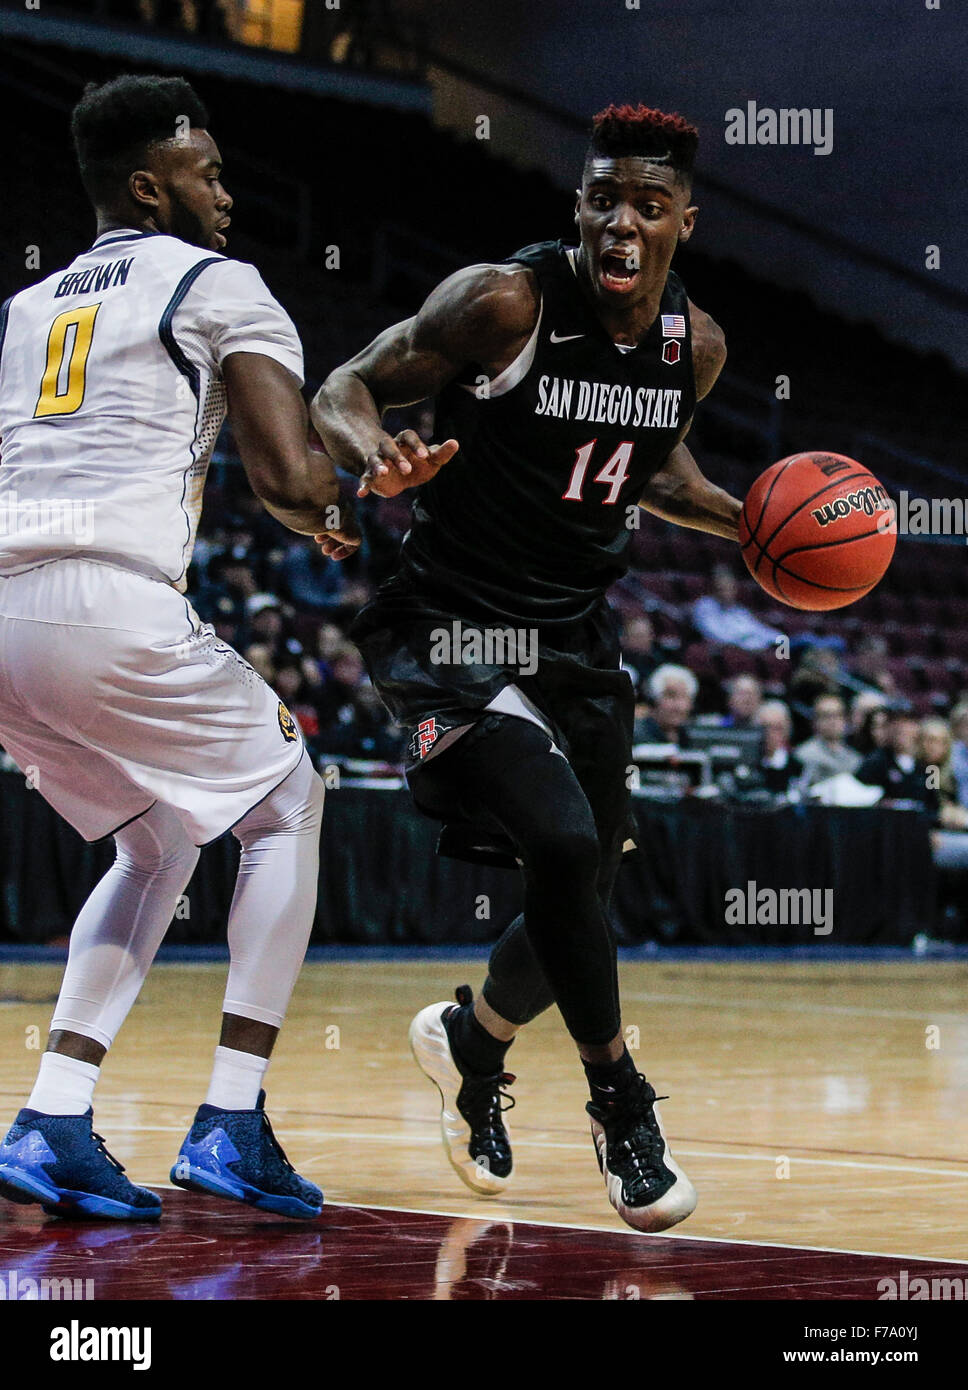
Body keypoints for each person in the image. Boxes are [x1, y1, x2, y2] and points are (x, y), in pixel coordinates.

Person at [312, 103, 741, 1231]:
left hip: (572, 638)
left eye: (648, 205)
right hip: (449, 625)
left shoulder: (691, 347)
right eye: (602, 197)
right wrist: (379, 456)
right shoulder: (504, 301)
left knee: (582, 892)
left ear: (681, 224)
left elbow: (652, 473)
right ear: (578, 206)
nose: (620, 221)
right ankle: (620, 1104)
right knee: (555, 842)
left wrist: (758, 527)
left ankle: (472, 1040)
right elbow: (341, 387)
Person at [0, 75, 371, 1222]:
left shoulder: (28, 306)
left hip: (4, 612)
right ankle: (231, 1118)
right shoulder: (221, 284)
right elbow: (284, 481)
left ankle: (54, 1116)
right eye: (207, 174)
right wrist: (350, 484)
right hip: (108, 604)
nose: (226, 193)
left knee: (156, 841)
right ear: (149, 184)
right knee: (289, 802)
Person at [690, 563, 782, 651]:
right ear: (713, 588)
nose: (727, 593)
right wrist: (748, 640)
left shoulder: (739, 611)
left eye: (730, 588)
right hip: (737, 652)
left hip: (755, 647)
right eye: (722, 588)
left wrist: (780, 639)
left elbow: (759, 629)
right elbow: (717, 635)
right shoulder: (704, 606)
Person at [857, 709, 935, 806]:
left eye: (907, 723)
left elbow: (934, 802)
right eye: (895, 723)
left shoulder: (930, 765)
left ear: (917, 727)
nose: (901, 728)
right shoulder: (875, 762)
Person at [795, 695, 862, 788]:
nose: (833, 721)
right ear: (815, 721)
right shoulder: (804, 755)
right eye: (827, 716)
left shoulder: (854, 758)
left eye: (838, 715)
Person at [634, 664, 697, 746]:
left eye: (684, 697)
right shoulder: (635, 736)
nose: (679, 706)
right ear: (654, 699)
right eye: (671, 696)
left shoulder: (690, 736)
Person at [755, 699, 801, 794]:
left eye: (777, 729)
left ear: (787, 732)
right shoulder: (746, 763)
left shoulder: (797, 767)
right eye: (764, 727)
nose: (769, 734)